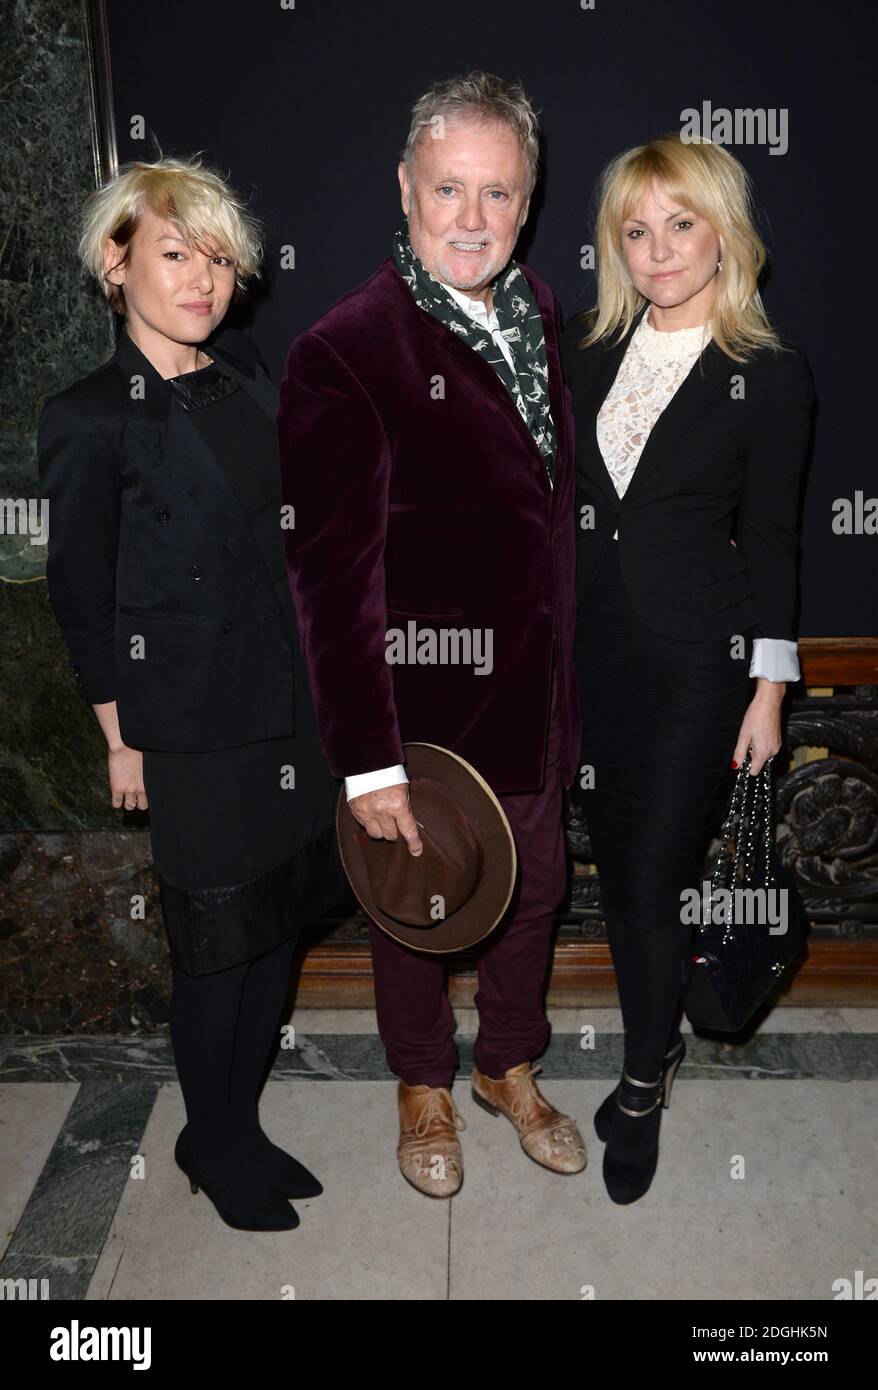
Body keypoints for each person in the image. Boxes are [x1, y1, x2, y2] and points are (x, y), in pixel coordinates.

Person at [278, 71, 585, 1197]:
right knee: (416, 915)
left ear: (526, 200)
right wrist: (366, 762)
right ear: (404, 188)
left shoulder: (538, 309)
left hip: (538, 705)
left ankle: (507, 1062)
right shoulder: (344, 349)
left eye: (495, 193)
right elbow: (330, 576)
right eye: (447, 188)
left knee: (536, 891)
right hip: (422, 722)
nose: (470, 217)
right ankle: (421, 1083)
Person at [38, 155, 345, 1231]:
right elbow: (80, 595)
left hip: (292, 702)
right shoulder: (86, 417)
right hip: (192, 722)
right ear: (116, 264)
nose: (202, 279)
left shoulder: (247, 371)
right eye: (175, 254)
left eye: (217, 258)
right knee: (217, 944)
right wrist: (121, 741)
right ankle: (210, 1141)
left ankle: (236, 1121)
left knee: (276, 927)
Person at [562, 133, 815, 1204]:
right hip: (593, 652)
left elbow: (770, 540)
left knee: (640, 877)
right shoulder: (587, 351)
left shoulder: (768, 371)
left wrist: (767, 687)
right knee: (620, 871)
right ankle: (649, 1046)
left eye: (679, 223)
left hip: (697, 664)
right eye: (635, 229)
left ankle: (636, 1080)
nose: (657, 248)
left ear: (722, 232)